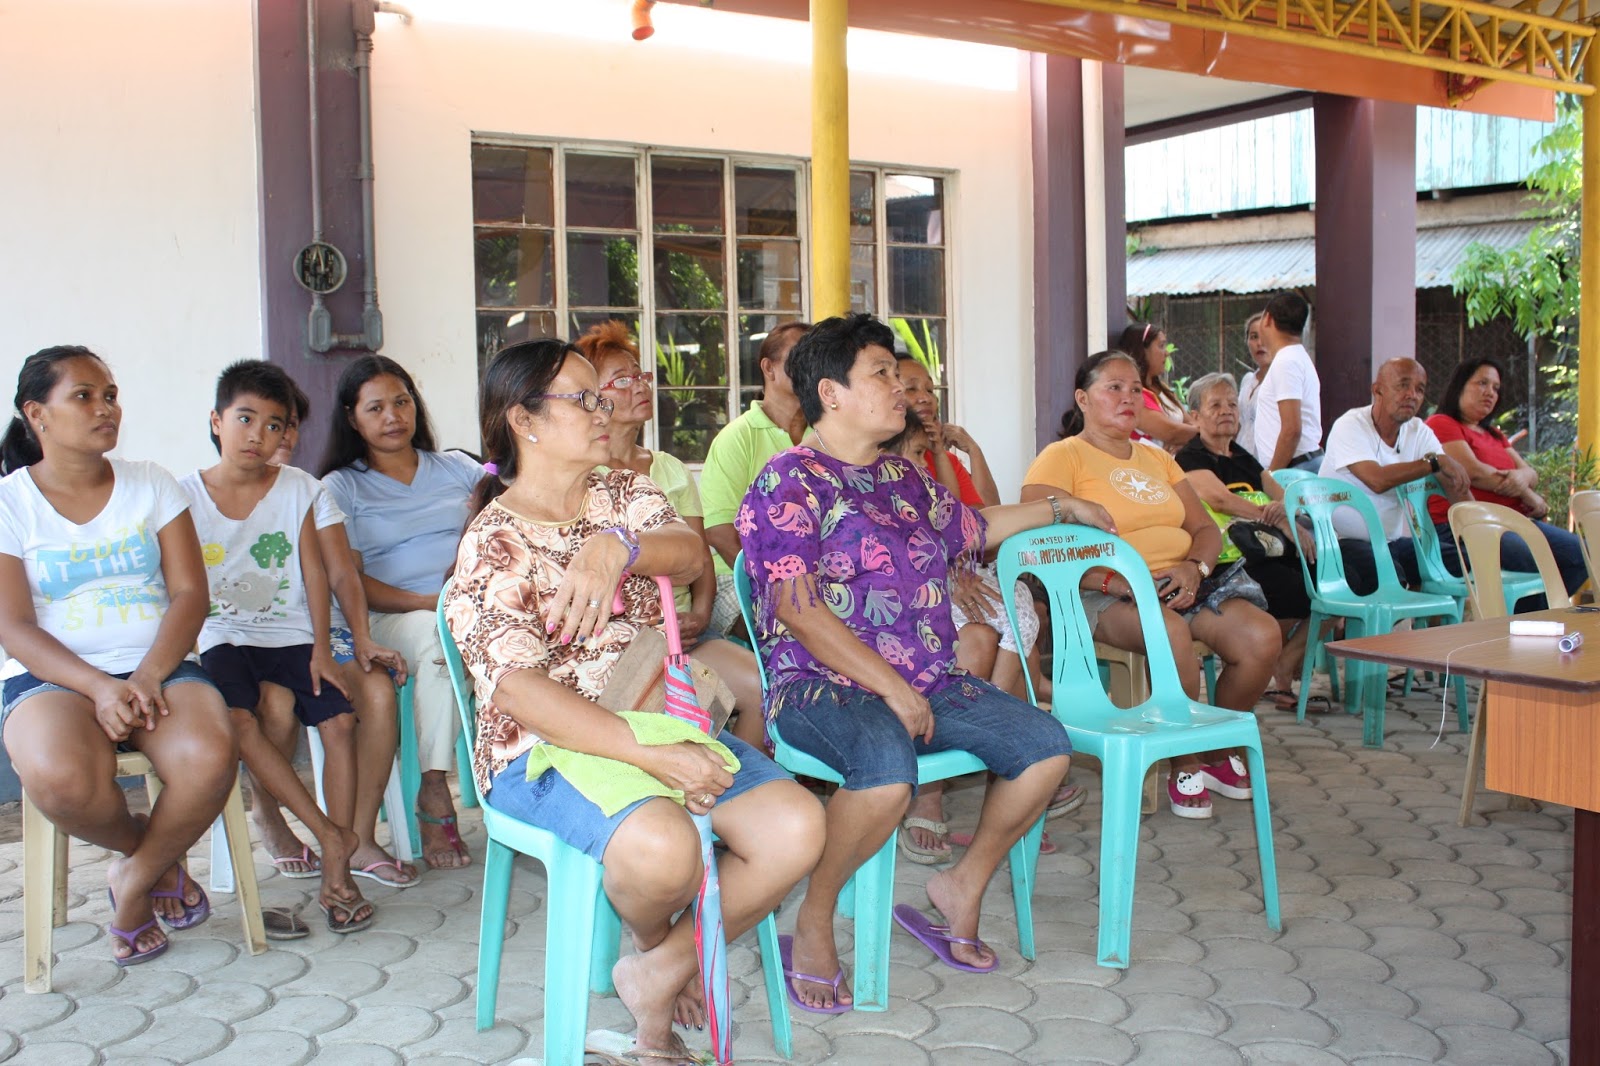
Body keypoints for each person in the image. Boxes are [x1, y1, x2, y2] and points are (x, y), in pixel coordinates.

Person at [444, 339, 823, 1064]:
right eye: (582, 399)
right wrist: (655, 756)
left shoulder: (621, 493)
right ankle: (658, 946)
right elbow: (520, 691)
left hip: (657, 710)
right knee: (664, 849)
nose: (603, 410)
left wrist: (618, 546)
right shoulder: (494, 543)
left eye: (602, 395)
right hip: (544, 746)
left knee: (797, 826)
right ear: (524, 420)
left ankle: (658, 970)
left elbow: (688, 552)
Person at [740, 313, 1092, 1006]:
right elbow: (799, 611)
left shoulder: (902, 477)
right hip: (821, 685)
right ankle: (815, 918)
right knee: (886, 774)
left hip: (928, 677)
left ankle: (961, 885)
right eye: (880, 374)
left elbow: (976, 527)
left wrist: (1063, 508)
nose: (899, 387)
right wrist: (892, 689)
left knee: (1045, 747)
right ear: (830, 393)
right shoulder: (789, 482)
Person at [0, 346, 237, 965]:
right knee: (59, 779)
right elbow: (13, 625)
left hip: (157, 664)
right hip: (51, 676)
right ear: (37, 414)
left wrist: (148, 675)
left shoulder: (151, 483)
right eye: (83, 396)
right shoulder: (10, 502)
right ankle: (155, 861)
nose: (105, 407)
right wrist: (100, 687)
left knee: (210, 756)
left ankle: (132, 882)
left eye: (109, 395)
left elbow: (190, 595)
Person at [1024, 350, 1282, 819]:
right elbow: (1040, 541)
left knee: (1262, 637)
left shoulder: (1158, 459)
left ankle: (1213, 750)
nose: (1128, 398)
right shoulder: (1062, 457)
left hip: (1182, 581)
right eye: (1113, 388)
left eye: (1134, 389)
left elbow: (1204, 529)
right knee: (1169, 632)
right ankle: (1183, 760)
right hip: (1101, 589)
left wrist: (1194, 570)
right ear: (1083, 398)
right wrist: (1115, 580)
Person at [181, 359, 381, 932]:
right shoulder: (182, 496)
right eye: (245, 419)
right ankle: (330, 836)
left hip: (291, 634)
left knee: (340, 722)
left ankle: (335, 872)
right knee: (241, 720)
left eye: (274, 425)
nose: (258, 435)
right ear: (216, 421)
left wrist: (326, 647)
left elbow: (325, 573)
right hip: (220, 635)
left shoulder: (301, 489)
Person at [893, 357, 1079, 864]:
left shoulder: (932, 458)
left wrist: (955, 450)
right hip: (921, 594)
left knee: (1017, 623)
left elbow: (967, 520)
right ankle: (947, 789)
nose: (923, 396)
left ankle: (1009, 778)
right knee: (981, 639)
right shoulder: (881, 470)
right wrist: (947, 572)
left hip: (965, 570)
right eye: (909, 386)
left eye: (929, 388)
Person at [248, 374, 418, 888]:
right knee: (276, 705)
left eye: (287, 425)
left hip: (324, 634)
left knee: (377, 691)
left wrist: (363, 637)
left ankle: (358, 838)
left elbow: (344, 573)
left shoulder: (309, 491)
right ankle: (268, 815)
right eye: (260, 422)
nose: (278, 435)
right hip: (255, 640)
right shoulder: (202, 493)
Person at [577, 320, 767, 749]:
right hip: (613, 641)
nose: (639, 385)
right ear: (591, 397)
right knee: (655, 720)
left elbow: (699, 558)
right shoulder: (582, 474)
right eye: (621, 380)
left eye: (640, 375)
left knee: (760, 688)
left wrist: (700, 612)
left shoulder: (669, 468)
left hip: (683, 635)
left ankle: (735, 785)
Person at [320, 356, 477, 870]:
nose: (393, 416)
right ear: (352, 417)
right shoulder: (341, 487)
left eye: (402, 402)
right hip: (391, 618)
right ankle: (433, 787)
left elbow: (502, 519)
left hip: (467, 609)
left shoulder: (457, 468)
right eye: (376, 408)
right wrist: (429, 602)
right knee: (437, 635)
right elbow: (349, 580)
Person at [1175, 372, 1312, 710]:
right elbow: (1220, 500)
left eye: (1232, 404)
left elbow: (1281, 495)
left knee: (1336, 579)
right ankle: (1263, 662)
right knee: (1300, 589)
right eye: (1215, 405)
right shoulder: (1190, 457)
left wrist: (1287, 516)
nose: (1226, 411)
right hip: (1229, 560)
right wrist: (1275, 517)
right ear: (1195, 416)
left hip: (1266, 549)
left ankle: (1283, 659)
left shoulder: (1242, 456)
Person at [1425, 357, 1587, 601]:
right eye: (1482, 383)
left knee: (1581, 554)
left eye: (1496, 388)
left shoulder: (1494, 434)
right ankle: (1527, 616)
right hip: (1466, 525)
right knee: (1534, 557)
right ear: (1459, 386)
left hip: (1513, 521)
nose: (1490, 392)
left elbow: (1531, 474)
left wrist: (1523, 481)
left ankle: (1537, 614)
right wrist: (1527, 494)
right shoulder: (1442, 423)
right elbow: (1473, 472)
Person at [1321, 358, 1473, 595]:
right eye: (1403, 385)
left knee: (1464, 562)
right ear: (1377, 390)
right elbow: (1377, 480)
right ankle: (1409, 613)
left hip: (1392, 542)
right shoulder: (1350, 425)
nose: (1412, 395)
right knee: (1391, 577)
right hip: (1342, 543)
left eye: (1419, 389)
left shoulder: (1418, 431)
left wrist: (1477, 528)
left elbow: (1451, 482)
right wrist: (1434, 462)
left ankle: (1432, 616)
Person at [699, 322, 811, 635]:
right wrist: (771, 584)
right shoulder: (737, 437)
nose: (811, 366)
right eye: (799, 356)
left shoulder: (826, 434)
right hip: (737, 577)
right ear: (768, 368)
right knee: (792, 626)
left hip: (812, 577)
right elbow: (719, 531)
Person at [1253, 291, 1325, 473]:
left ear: (1268, 319)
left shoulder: (1286, 361)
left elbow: (1292, 429)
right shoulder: (1295, 357)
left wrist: (1272, 474)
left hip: (1295, 469)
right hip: (1299, 465)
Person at [1118, 322, 1197, 452]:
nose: (1167, 353)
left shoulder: (1162, 388)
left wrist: (1184, 441)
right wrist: (1203, 434)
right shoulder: (1134, 396)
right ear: (1142, 350)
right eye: (1161, 346)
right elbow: (1171, 432)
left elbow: (1190, 422)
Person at [1236, 313, 1269, 463]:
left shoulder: (1281, 381)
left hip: (1268, 461)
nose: (1259, 343)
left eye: (1265, 336)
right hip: (1243, 458)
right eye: (1254, 337)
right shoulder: (1248, 381)